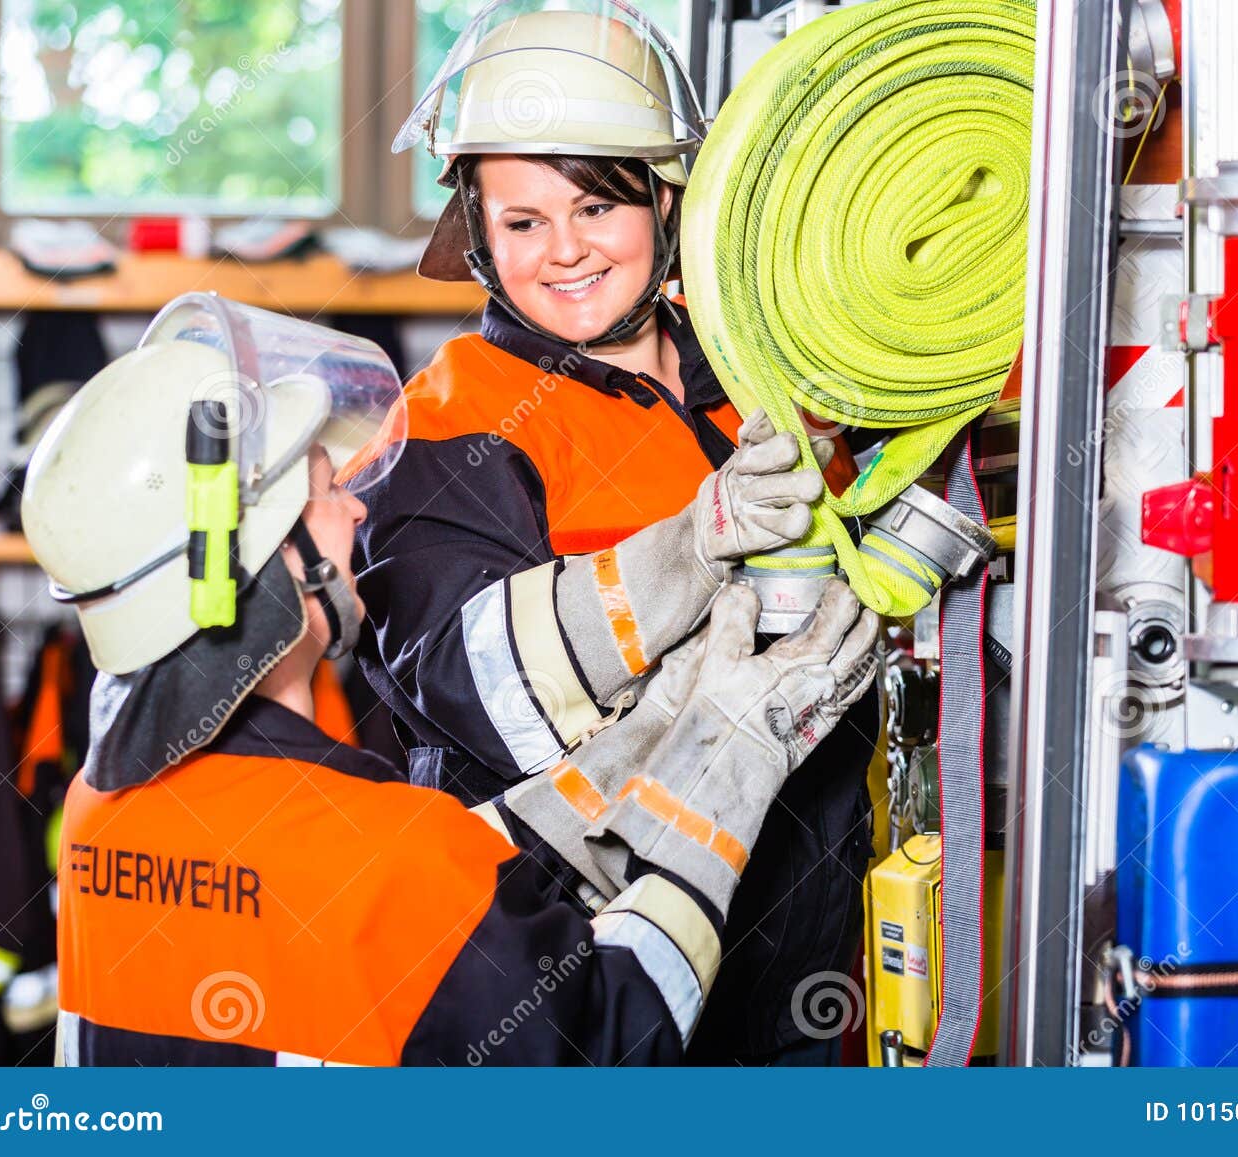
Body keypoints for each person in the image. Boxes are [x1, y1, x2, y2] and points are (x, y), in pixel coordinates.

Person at [24, 301, 879, 1066]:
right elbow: (616, 1031)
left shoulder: (102, 817)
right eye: (325, 490)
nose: (357, 510)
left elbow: (444, 892)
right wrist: (735, 761)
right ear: (267, 563)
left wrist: (658, 730)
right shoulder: (382, 859)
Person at [350, 0, 882, 1065]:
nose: (565, 252)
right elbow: (470, 690)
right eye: (522, 221)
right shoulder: (452, 420)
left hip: (818, 932)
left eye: (596, 205)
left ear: (665, 197)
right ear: (476, 234)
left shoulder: (755, 371)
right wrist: (691, 546)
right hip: (603, 965)